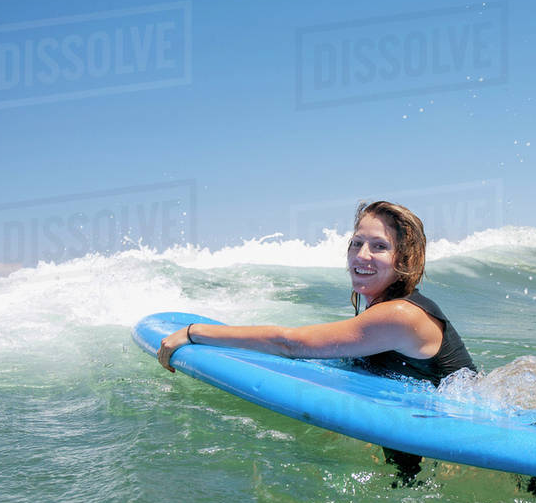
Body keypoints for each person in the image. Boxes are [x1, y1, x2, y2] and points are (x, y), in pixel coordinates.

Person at [157, 200, 477, 481]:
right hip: (421, 419)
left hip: (462, 424)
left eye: (379, 246)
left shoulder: (399, 315)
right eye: (356, 243)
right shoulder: (382, 306)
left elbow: (290, 344)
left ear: (404, 259)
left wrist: (193, 332)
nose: (361, 254)